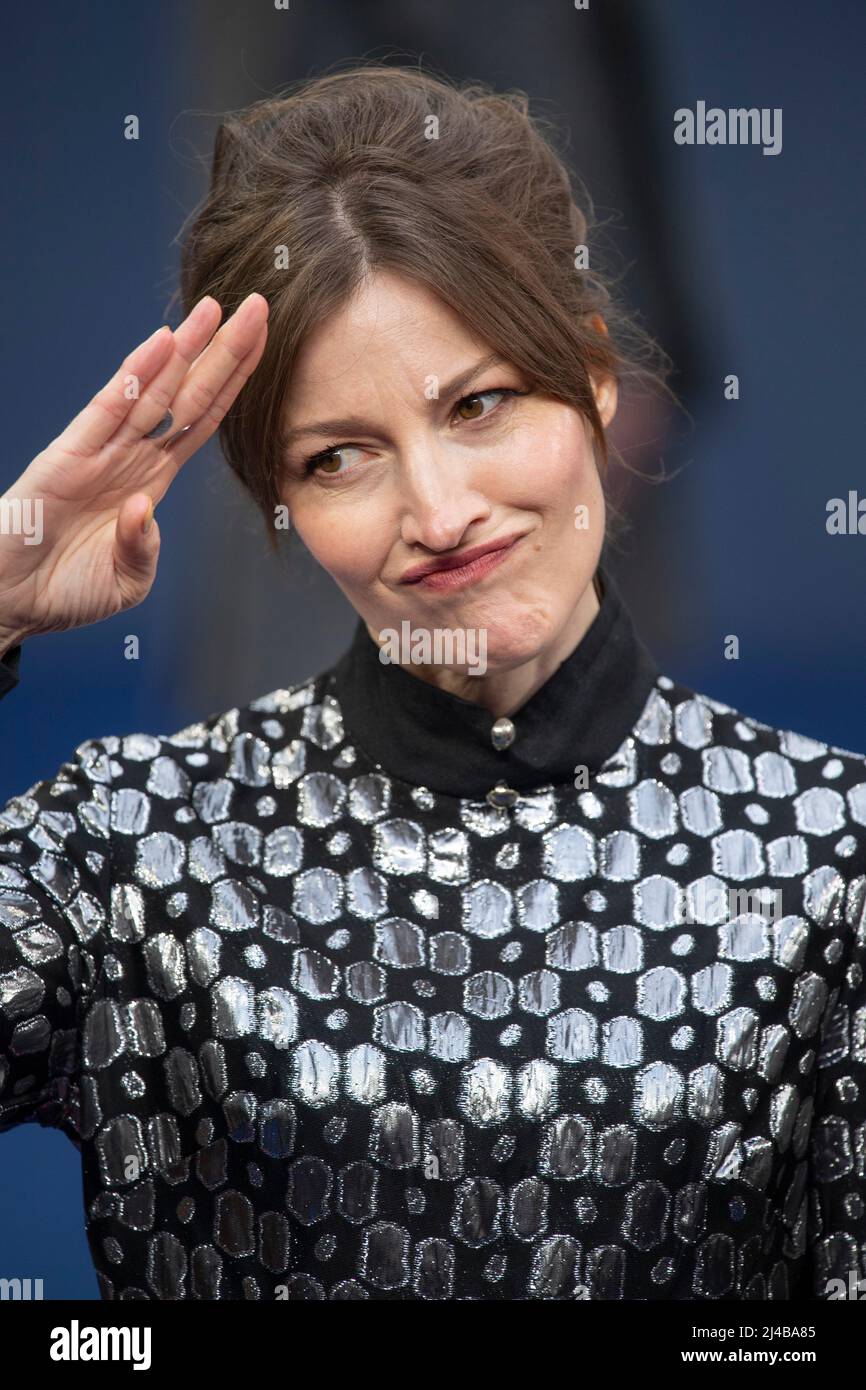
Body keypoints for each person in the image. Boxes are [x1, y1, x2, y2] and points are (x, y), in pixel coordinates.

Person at [1, 63, 864, 1302]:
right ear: (281, 505)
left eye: (480, 403)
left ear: (596, 385)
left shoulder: (831, 857)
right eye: (341, 456)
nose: (440, 512)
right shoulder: (133, 849)